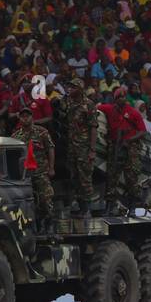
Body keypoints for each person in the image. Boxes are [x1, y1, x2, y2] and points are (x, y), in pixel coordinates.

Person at [11, 105, 55, 230]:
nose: (25, 119)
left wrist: (51, 168)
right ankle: (36, 224)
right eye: (23, 116)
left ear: (32, 117)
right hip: (24, 175)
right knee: (28, 202)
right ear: (19, 118)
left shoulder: (41, 132)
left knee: (45, 199)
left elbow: (50, 149)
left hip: (40, 172)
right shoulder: (15, 137)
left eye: (27, 116)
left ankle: (49, 223)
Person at [65, 81, 97, 214]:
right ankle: (79, 206)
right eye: (69, 86)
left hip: (84, 147)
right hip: (72, 147)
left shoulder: (88, 105)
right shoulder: (69, 103)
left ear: (79, 89)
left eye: (73, 87)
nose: (70, 89)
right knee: (74, 177)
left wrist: (92, 150)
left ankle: (87, 208)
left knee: (85, 178)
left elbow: (93, 128)